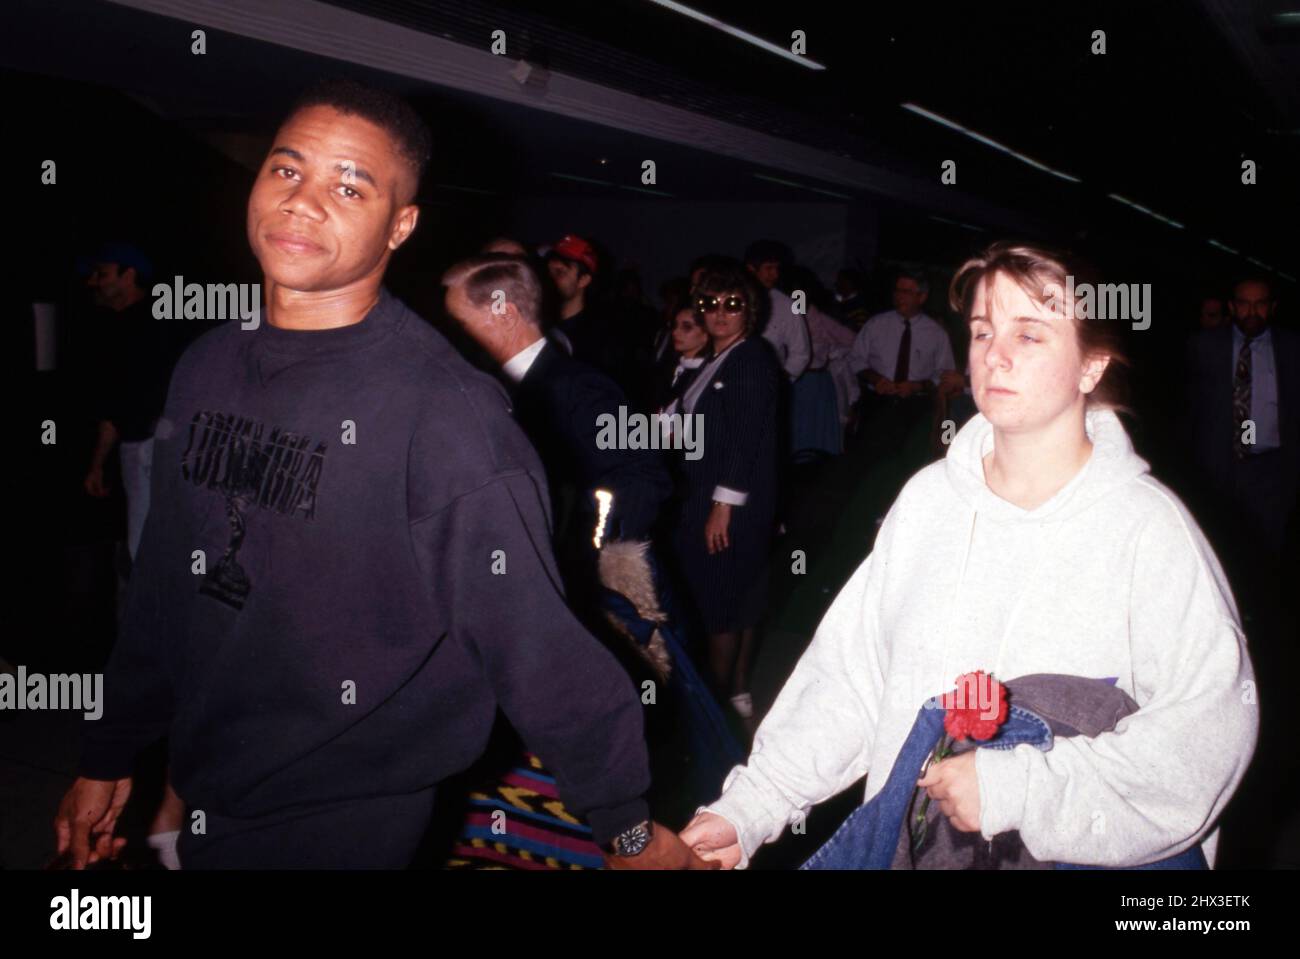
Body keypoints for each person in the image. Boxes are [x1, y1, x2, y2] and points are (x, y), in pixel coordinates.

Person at [53, 78, 706, 870]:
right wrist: (110, 746)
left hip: (346, 812)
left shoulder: (446, 414)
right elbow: (164, 580)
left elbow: (532, 641)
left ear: (402, 226)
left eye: (348, 184)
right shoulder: (208, 364)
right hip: (212, 782)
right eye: (287, 170)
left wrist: (626, 827)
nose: (302, 201)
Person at [681, 241, 1258, 869]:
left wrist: (1024, 788)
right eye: (983, 332)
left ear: (1091, 366)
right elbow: (850, 680)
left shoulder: (1146, 528)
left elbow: (1205, 736)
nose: (995, 356)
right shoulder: (930, 502)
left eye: (1030, 335)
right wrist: (752, 807)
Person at [667, 262, 782, 721]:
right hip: (714, 498)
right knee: (735, 597)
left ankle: (713, 710)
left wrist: (721, 506)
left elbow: (744, 437)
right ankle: (733, 694)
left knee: (719, 603)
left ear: (748, 312)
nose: (720, 314)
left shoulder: (750, 357)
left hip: (727, 503)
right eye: (711, 305)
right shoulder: (717, 359)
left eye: (732, 305)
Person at [1184, 276, 1299, 619]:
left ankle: (1258, 616)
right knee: (1220, 547)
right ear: (1232, 307)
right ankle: (1221, 614)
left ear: (1272, 307)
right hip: (1221, 467)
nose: (1253, 311)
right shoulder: (1204, 346)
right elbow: (1189, 409)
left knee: (1266, 548)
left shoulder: (1292, 349)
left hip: (1271, 470)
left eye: (1260, 304)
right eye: (1245, 304)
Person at [80, 243, 183, 563]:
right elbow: (113, 404)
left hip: (160, 446)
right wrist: (98, 464)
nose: (94, 281)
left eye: (102, 273)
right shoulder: (111, 327)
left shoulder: (165, 321)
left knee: (151, 547)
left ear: (129, 275)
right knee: (142, 544)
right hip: (136, 446)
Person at [743, 240, 811, 382]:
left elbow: (800, 352)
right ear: (751, 269)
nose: (774, 275)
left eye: (776, 269)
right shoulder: (731, 301)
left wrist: (779, 383)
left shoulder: (786, 305)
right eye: (768, 268)